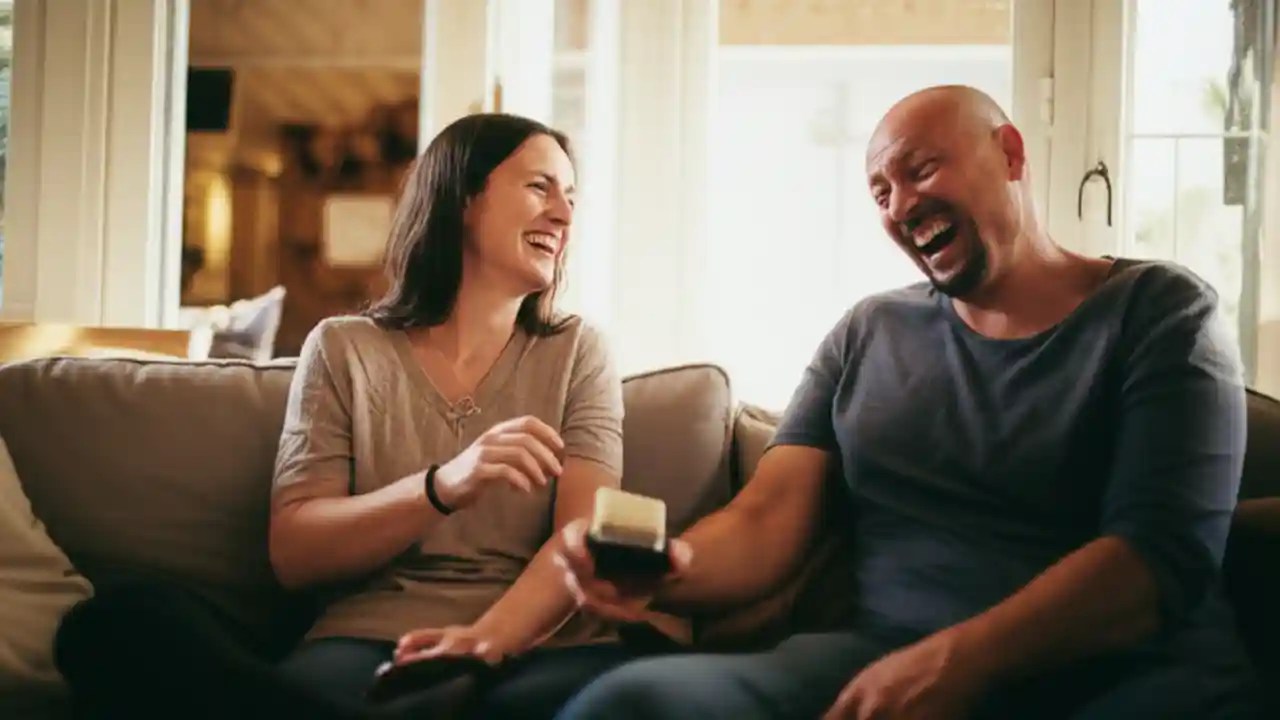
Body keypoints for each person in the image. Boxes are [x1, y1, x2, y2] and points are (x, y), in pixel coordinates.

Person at [551, 85, 1261, 719]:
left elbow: (1156, 558)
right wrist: (668, 569)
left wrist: (962, 662)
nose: (901, 203)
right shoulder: (869, 332)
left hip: (1120, 677)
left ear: (1010, 153)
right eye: (881, 193)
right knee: (629, 702)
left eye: (920, 170)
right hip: (881, 661)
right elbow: (768, 520)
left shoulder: (1161, 312)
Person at [54, 113, 655, 719]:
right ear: (463, 200)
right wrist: (441, 486)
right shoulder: (344, 349)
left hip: (533, 651)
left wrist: (483, 642)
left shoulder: (578, 351)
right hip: (365, 648)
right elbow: (297, 553)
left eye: (571, 197)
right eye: (539, 187)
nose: (564, 215)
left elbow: (578, 542)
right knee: (119, 622)